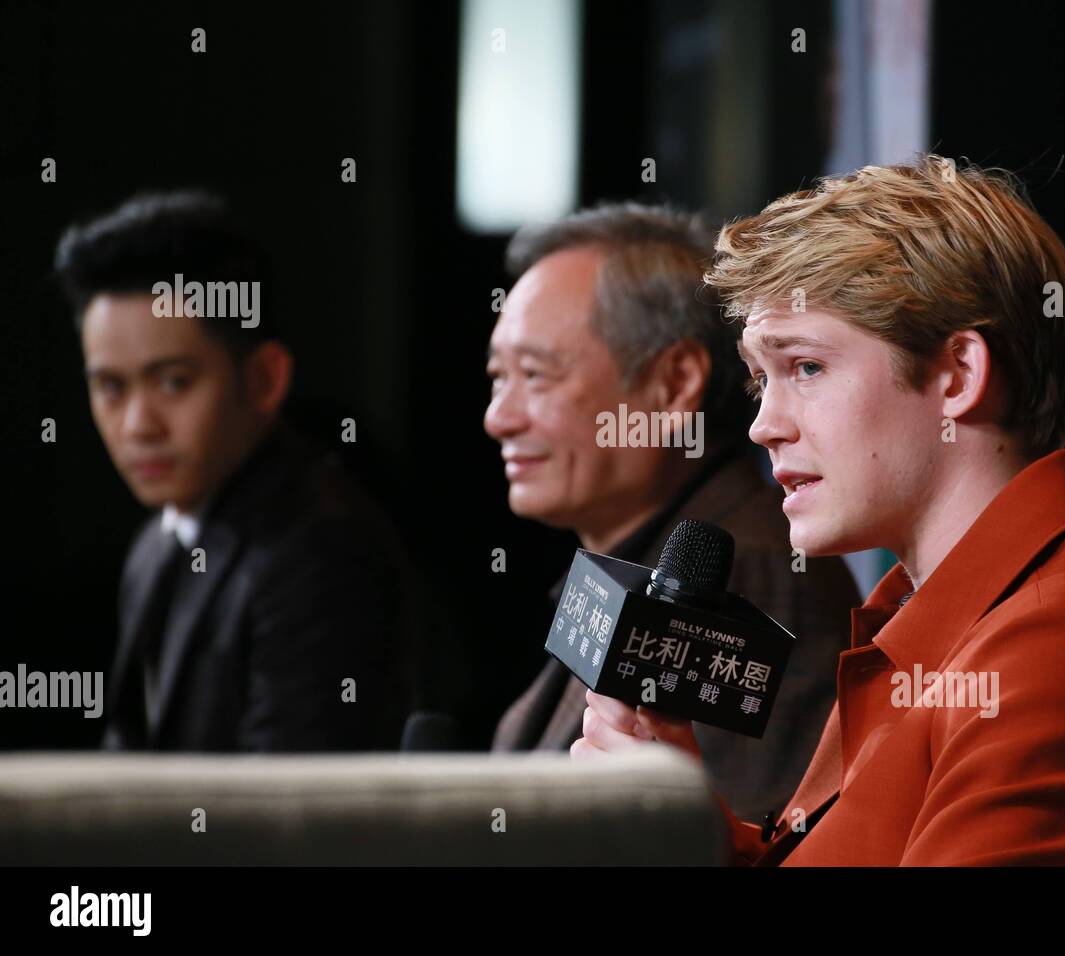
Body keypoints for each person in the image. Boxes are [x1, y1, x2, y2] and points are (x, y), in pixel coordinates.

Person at [573, 157, 1065, 865]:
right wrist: (685, 837)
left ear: (959, 375)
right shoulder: (939, 617)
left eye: (806, 368)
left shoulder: (1062, 642)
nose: (764, 424)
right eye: (761, 379)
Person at [485, 202, 862, 821]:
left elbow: (730, 842)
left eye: (535, 374)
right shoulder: (626, 565)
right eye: (498, 377)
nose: (499, 417)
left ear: (673, 382)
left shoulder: (753, 579)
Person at [54, 190, 416, 751]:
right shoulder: (158, 539)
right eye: (110, 388)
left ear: (265, 379)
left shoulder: (320, 550)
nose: (137, 424)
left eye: (173, 381)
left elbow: (281, 817)